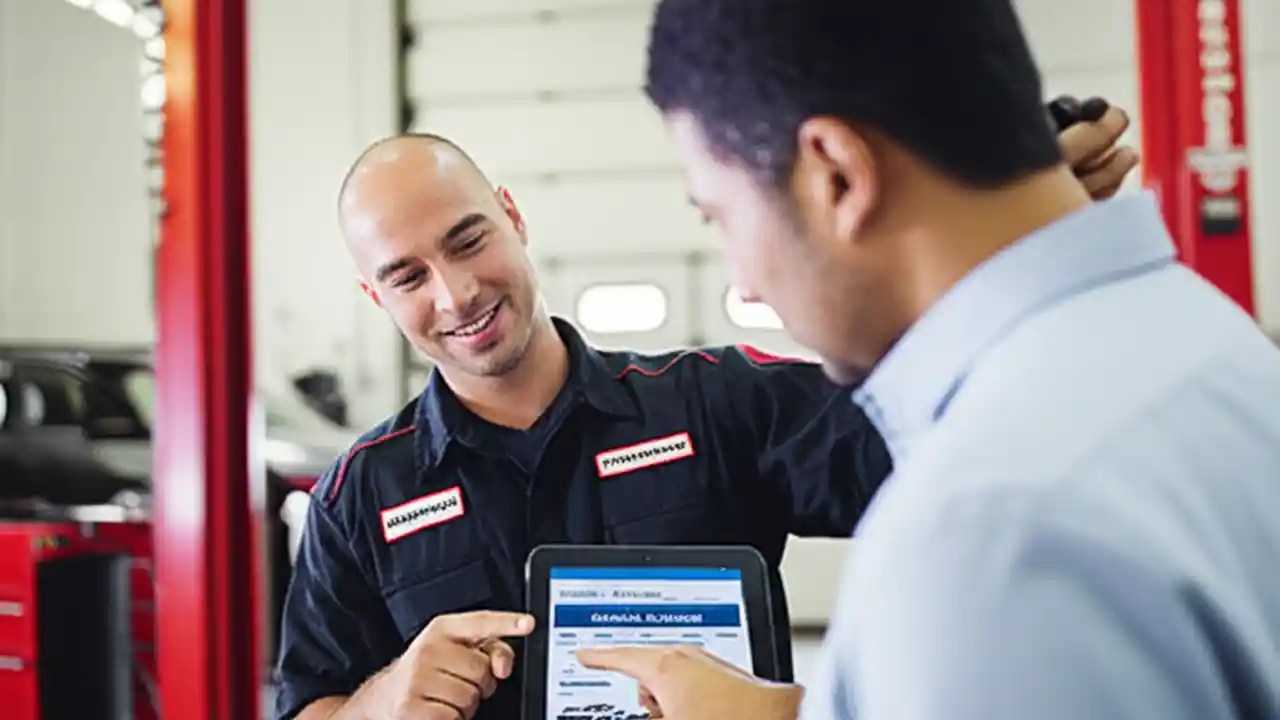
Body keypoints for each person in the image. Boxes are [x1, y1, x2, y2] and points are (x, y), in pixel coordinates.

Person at [273, 102, 1137, 718]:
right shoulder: (360, 495)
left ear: (512, 217)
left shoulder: (719, 402)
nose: (457, 293)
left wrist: (1005, 239)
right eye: (407, 275)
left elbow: (940, 430)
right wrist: (386, 701)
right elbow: (310, 706)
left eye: (468, 241)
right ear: (373, 294)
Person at [577, 1, 1280, 719]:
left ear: (838, 177)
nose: (743, 283)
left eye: (720, 215)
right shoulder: (1210, 346)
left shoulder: (984, 534)